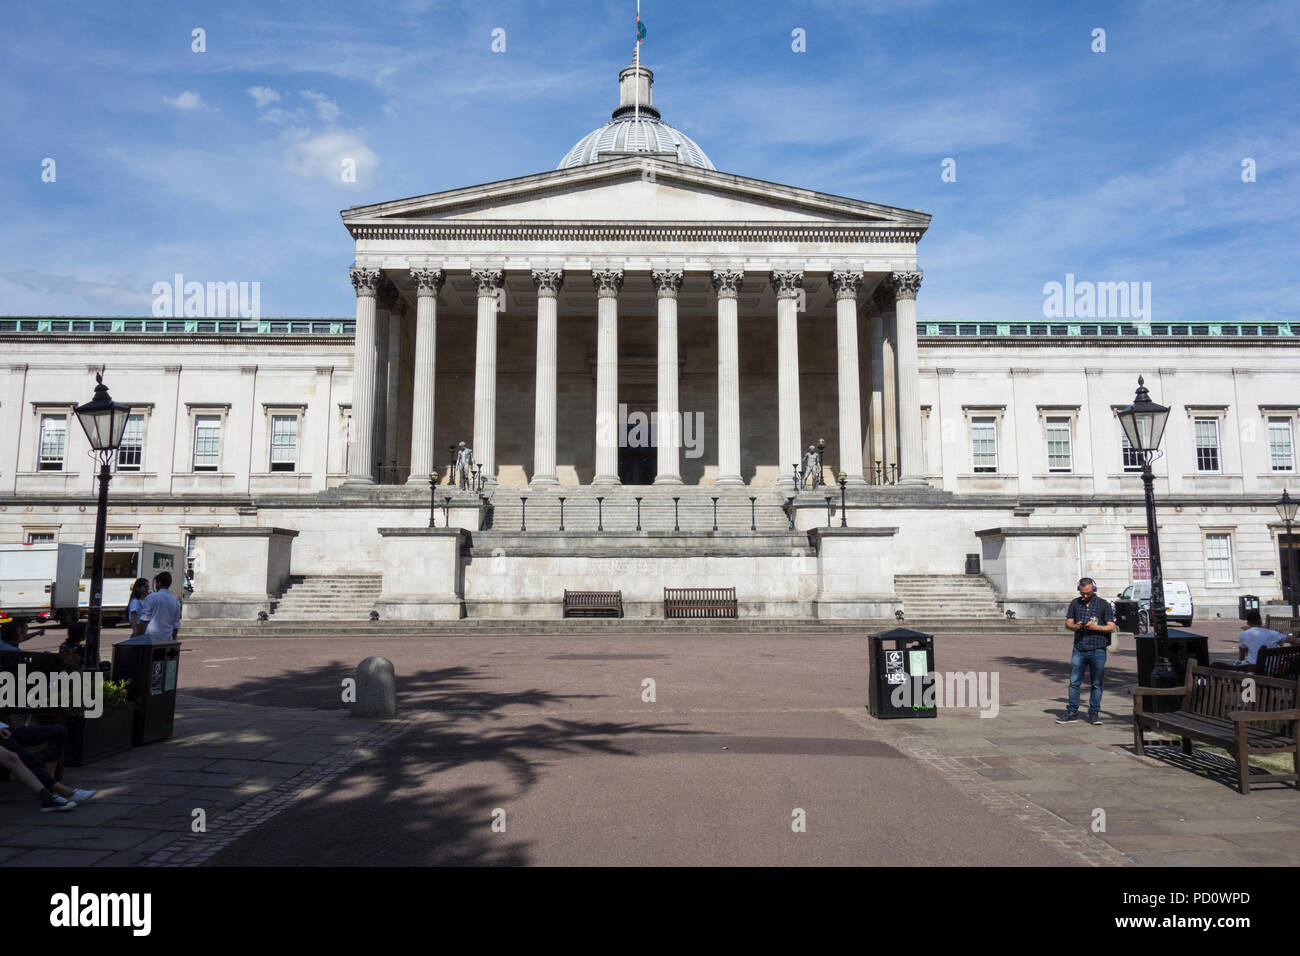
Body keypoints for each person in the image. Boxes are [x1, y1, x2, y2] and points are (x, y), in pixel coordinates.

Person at [0, 719, 96, 812]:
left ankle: (50, 786)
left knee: (59, 731)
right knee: (18, 756)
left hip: (4, 728)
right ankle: (61, 791)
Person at [1059, 577, 1116, 725]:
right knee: (1074, 682)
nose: (1085, 596)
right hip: (1079, 647)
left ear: (1094, 590)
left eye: (1088, 593)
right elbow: (1068, 623)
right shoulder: (1075, 603)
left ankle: (1094, 713)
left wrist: (1096, 627)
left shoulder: (1103, 604)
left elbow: (1111, 627)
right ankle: (1072, 712)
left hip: (1098, 648)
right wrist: (1076, 626)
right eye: (1082, 593)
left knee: (1096, 683)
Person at [135, 572, 182, 642]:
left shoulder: (151, 598)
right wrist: (172, 640)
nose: (155, 586)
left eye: (156, 583)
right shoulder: (175, 602)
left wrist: (137, 638)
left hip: (151, 639)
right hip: (167, 639)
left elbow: (144, 620)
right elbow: (176, 625)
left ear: (159, 583)